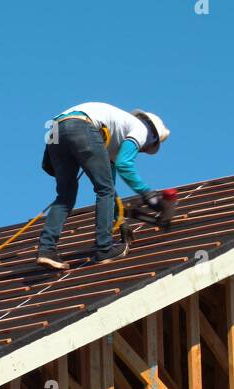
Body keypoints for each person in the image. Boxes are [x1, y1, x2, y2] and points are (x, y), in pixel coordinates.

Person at [37, 102, 173, 271]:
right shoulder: (141, 129)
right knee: (103, 190)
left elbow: (110, 186)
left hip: (55, 130)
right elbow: (123, 166)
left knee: (66, 196)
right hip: (81, 126)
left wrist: (119, 221)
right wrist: (150, 196)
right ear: (153, 138)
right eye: (146, 149)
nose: (141, 150)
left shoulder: (114, 139)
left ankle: (46, 250)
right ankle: (104, 249)